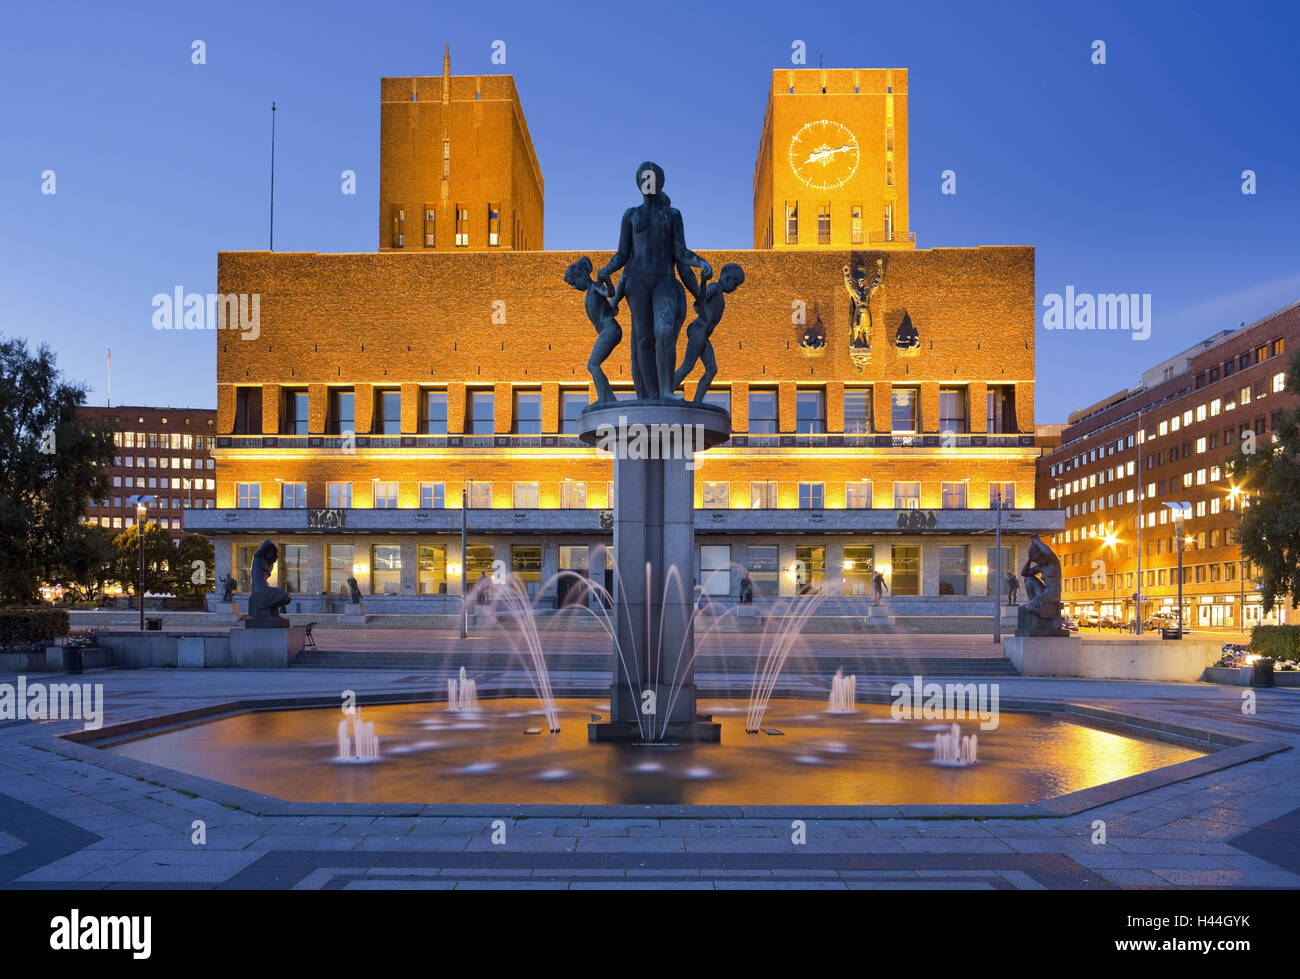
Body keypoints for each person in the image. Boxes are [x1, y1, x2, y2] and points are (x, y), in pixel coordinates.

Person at [597, 162, 711, 399]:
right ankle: (651, 396)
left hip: (664, 279)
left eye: (652, 178)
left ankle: (667, 390)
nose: (648, 183)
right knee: (642, 337)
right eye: (644, 178)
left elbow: (681, 251)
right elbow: (622, 253)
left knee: (664, 330)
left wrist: (700, 262)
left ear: (660, 182)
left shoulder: (673, 215)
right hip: (637, 281)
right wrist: (607, 269)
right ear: (639, 183)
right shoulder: (631, 214)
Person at [673, 263, 744, 402]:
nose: (735, 288)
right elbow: (700, 300)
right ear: (728, 278)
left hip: (703, 335)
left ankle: (697, 402)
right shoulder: (715, 287)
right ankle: (666, 392)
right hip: (698, 330)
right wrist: (704, 281)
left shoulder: (719, 294)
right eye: (735, 283)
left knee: (712, 369)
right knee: (688, 365)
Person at [564, 256, 624, 403]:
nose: (574, 287)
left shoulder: (595, 286)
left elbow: (610, 293)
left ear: (581, 276)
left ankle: (606, 398)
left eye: (573, 283)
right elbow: (607, 307)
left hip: (609, 328)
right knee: (593, 365)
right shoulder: (589, 293)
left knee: (593, 364)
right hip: (607, 329)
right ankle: (607, 397)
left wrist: (608, 280)